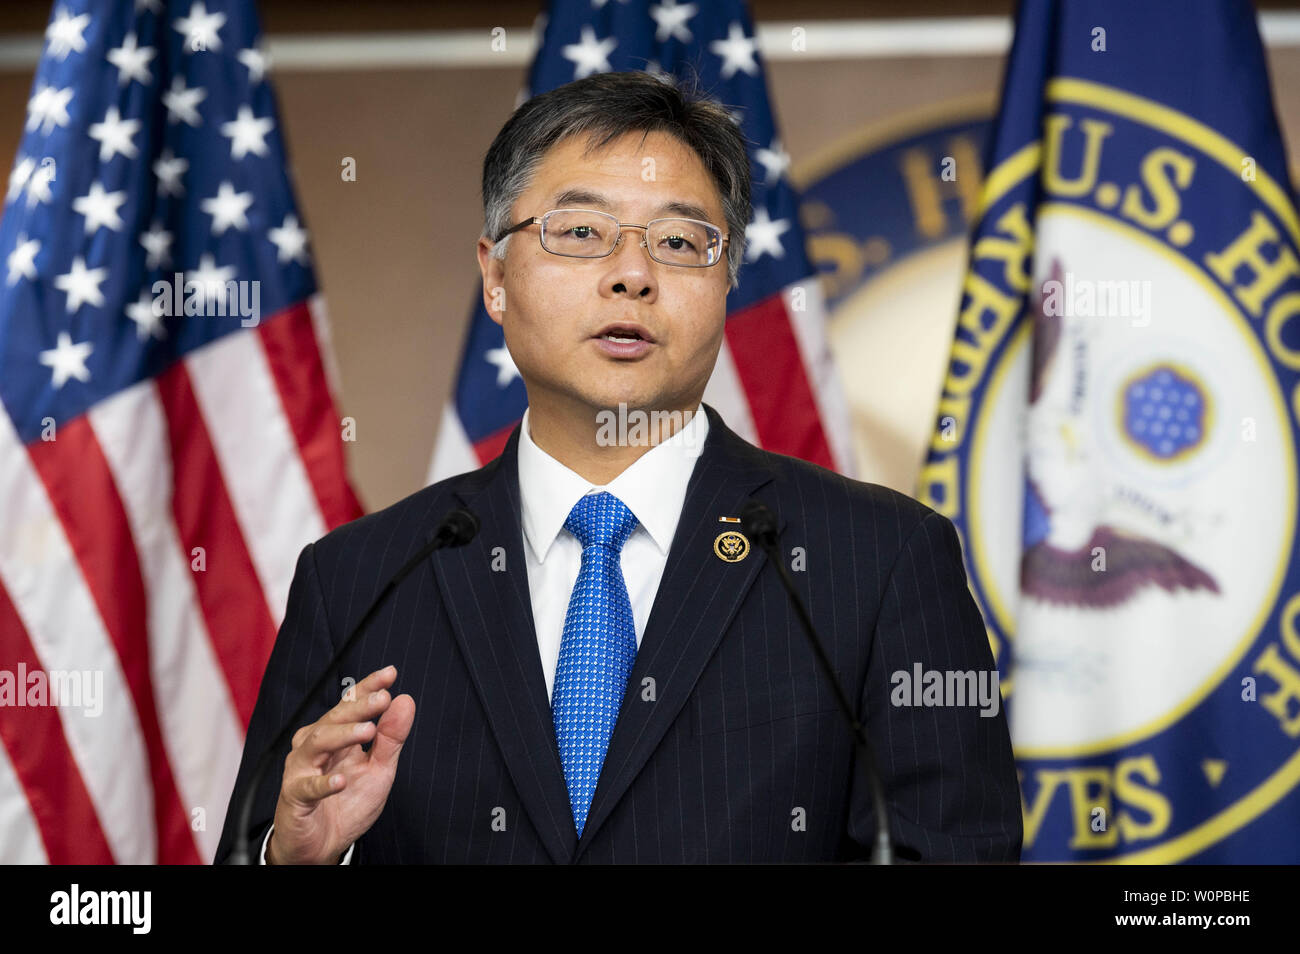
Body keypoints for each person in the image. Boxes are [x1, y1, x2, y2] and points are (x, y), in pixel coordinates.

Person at [213, 71, 1022, 865]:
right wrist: (291, 860)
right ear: (495, 277)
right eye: (580, 232)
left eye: (678, 242)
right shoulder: (358, 582)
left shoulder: (879, 560)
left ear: (728, 280)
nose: (631, 274)